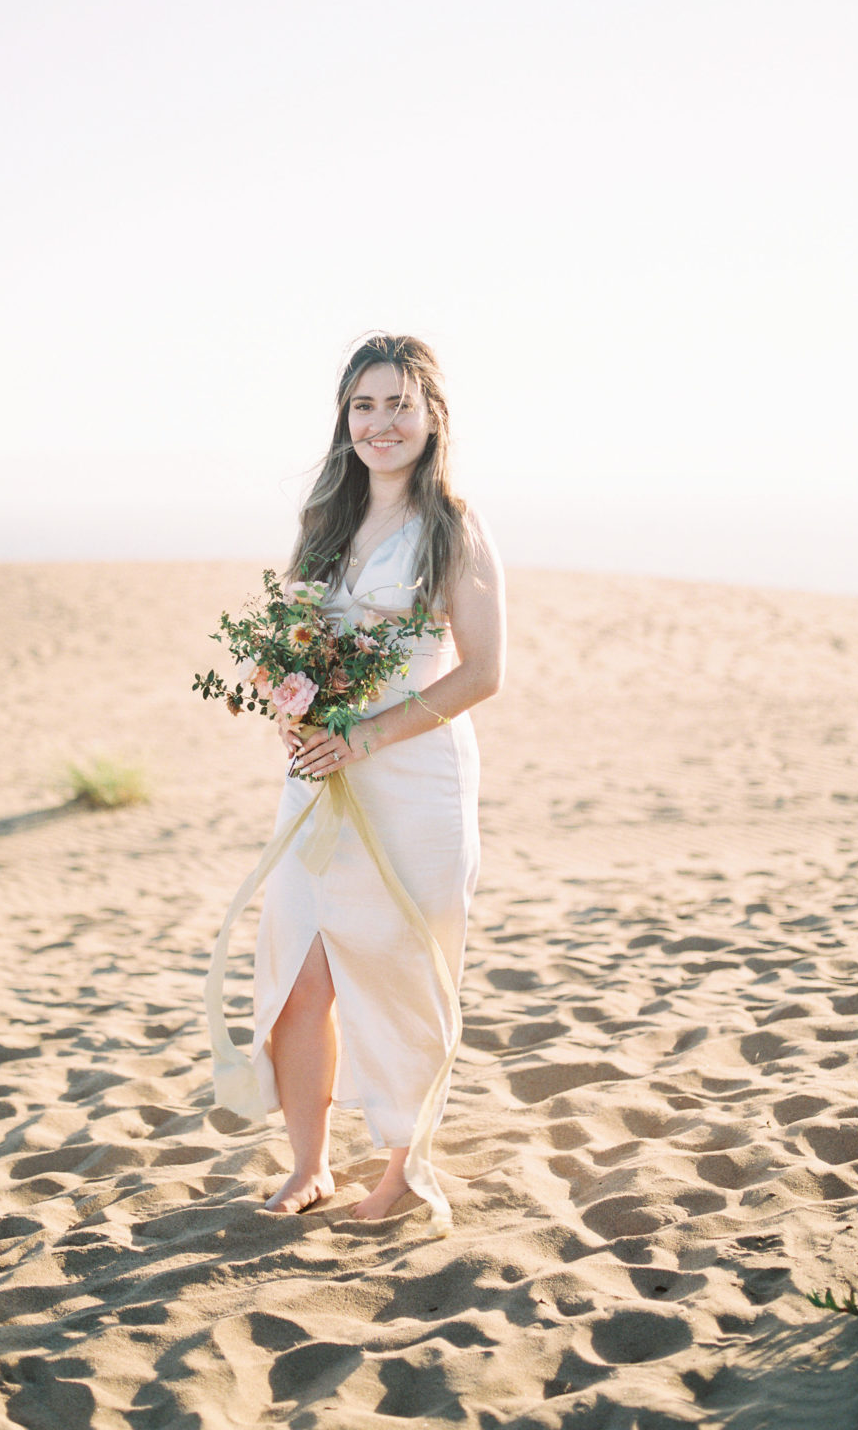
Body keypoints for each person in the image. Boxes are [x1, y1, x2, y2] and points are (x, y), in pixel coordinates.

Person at [253, 332, 506, 1221]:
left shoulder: (452, 525)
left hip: (413, 778)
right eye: (364, 405)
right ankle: (309, 1165)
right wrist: (284, 696)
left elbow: (481, 673)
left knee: (402, 969)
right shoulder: (323, 522)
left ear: (432, 417)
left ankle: (404, 1166)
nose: (380, 422)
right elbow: (292, 640)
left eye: (399, 403)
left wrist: (363, 736)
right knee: (298, 976)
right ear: (344, 419)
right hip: (318, 775)